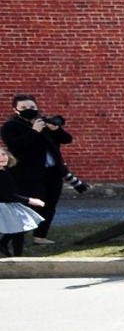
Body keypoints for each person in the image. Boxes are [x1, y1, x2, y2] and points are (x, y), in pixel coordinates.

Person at [1, 94, 72, 244]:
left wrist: (55, 129)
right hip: (28, 174)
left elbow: (67, 139)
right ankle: (10, 238)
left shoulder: (43, 123)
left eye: (32, 107)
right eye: (24, 107)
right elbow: (16, 147)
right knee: (32, 206)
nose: (29, 110)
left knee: (50, 205)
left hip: (52, 171)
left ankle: (40, 236)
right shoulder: (10, 127)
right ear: (15, 110)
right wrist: (34, 131)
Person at [0, 145, 47, 257]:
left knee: (20, 229)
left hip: (10, 205)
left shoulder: (5, 171)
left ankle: (5, 246)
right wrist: (30, 200)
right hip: (4, 206)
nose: (2, 157)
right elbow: (7, 195)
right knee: (19, 229)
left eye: (3, 154)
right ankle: (17, 256)